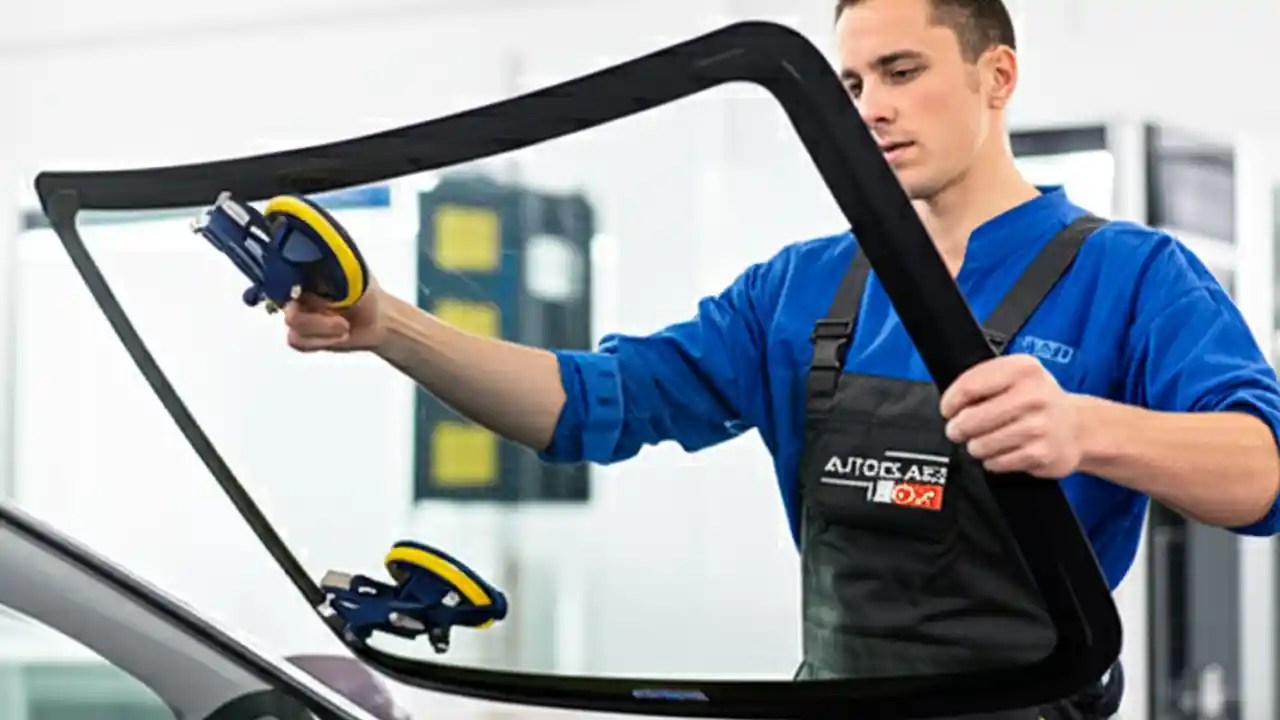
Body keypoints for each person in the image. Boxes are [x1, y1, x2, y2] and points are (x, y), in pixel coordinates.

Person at [279, 0, 1280, 715]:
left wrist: (1082, 428)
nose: (869, 108)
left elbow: (1261, 476)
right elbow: (588, 406)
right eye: (848, 84)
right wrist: (385, 328)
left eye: (899, 73)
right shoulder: (797, 290)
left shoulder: (1132, 274)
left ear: (994, 77)